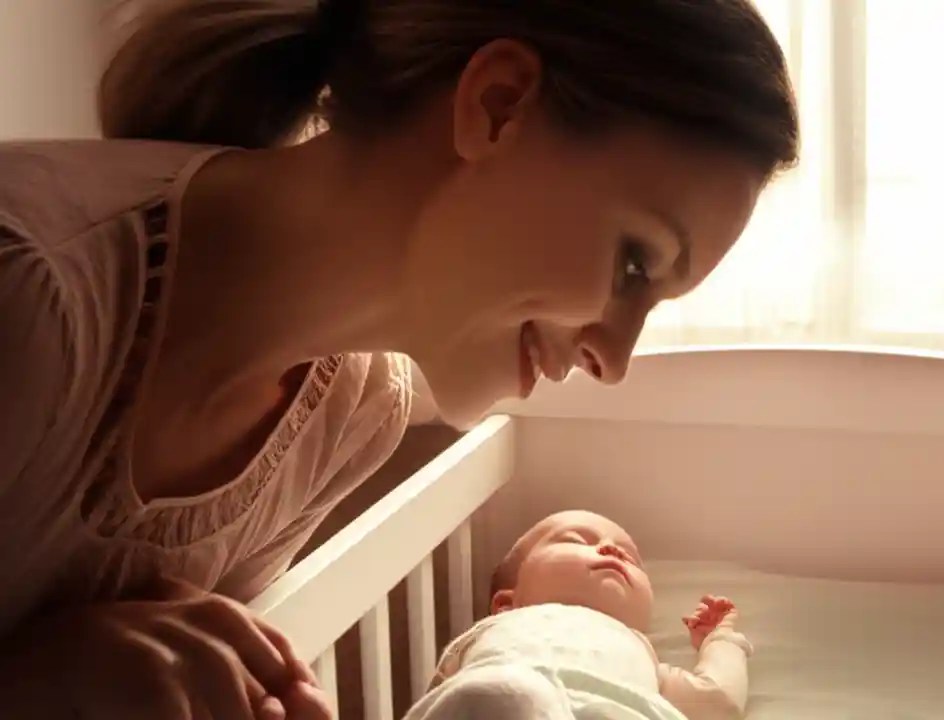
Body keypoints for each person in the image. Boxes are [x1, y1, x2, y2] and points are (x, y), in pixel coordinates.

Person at [0, 0, 798, 717]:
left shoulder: (354, 413)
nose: (612, 357)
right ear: (498, 106)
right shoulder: (30, 293)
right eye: (634, 263)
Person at [412, 510, 751, 720]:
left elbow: (717, 701)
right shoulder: (493, 632)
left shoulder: (642, 657)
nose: (612, 548)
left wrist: (721, 640)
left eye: (632, 559)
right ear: (506, 603)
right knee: (501, 693)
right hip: (507, 703)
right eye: (577, 539)